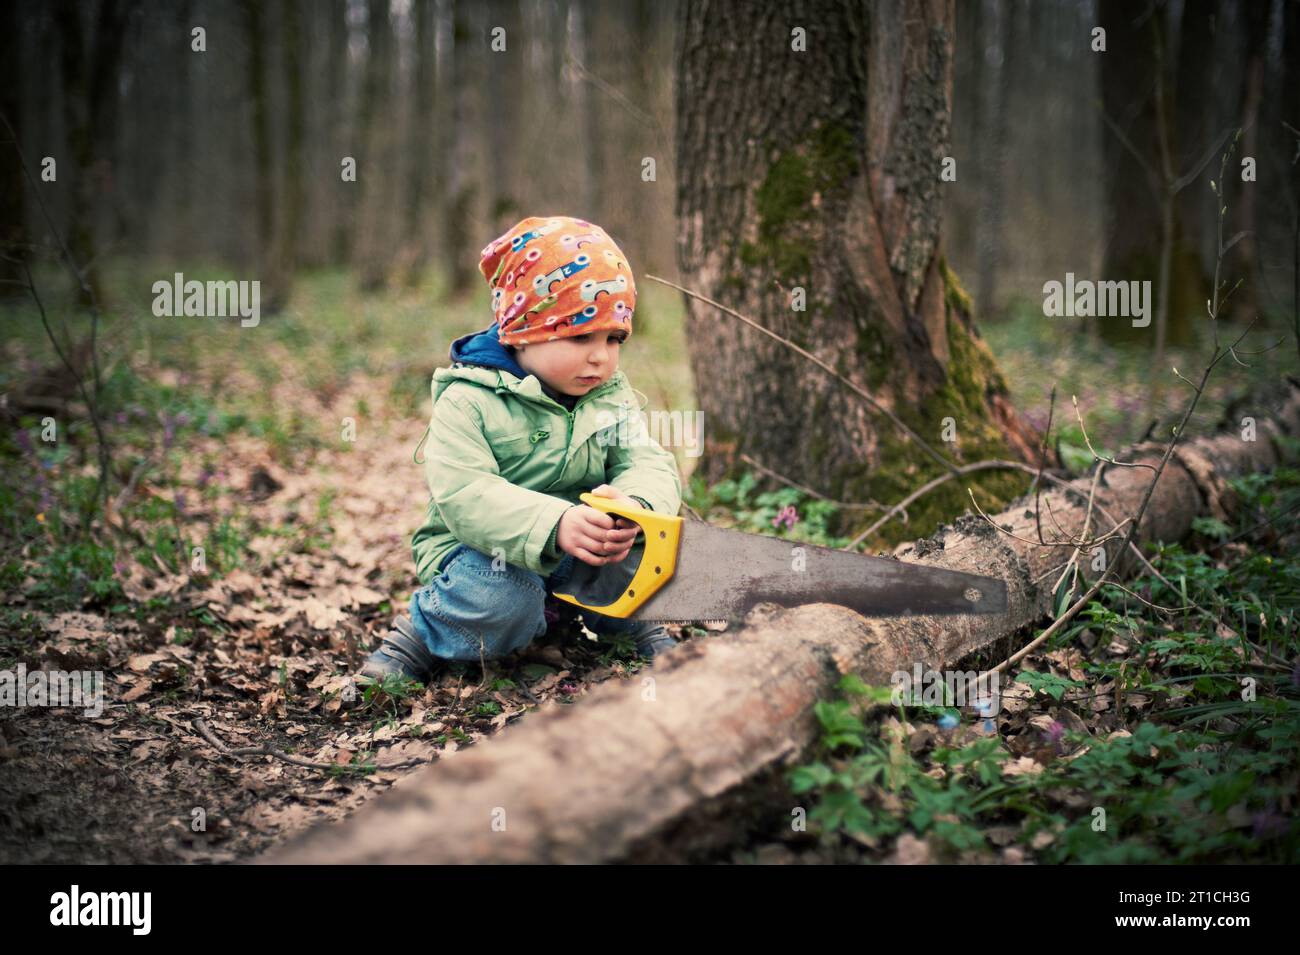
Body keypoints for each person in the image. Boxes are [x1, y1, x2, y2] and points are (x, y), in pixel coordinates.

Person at [357, 215, 683, 686]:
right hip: (482, 553)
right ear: (522, 331)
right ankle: (420, 636)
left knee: (639, 551)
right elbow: (464, 493)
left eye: (615, 339)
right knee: (502, 598)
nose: (601, 357)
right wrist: (554, 524)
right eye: (580, 336)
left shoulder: (610, 395)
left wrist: (636, 507)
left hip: (583, 545)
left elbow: (645, 460)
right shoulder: (469, 398)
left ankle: (629, 625)